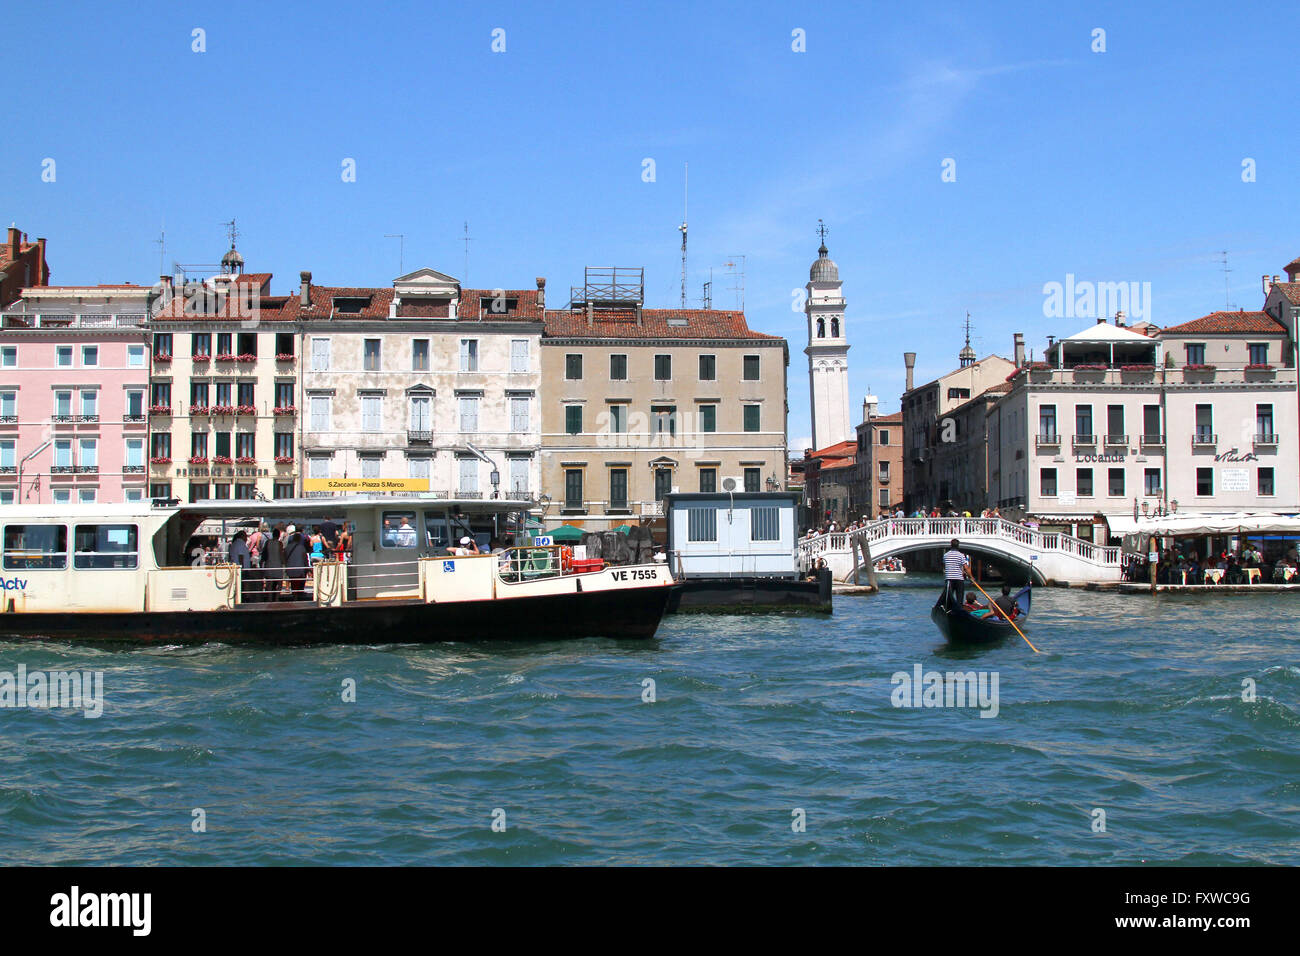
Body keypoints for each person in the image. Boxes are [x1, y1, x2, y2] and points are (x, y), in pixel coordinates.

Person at [942, 538, 971, 610]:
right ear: (958, 546)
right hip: (959, 579)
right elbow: (966, 567)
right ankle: (959, 610)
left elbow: (945, 566)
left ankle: (948, 609)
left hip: (949, 579)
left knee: (948, 598)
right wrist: (971, 577)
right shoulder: (961, 555)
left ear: (951, 545)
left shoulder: (945, 555)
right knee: (959, 598)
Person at [283, 524, 310, 599]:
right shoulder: (301, 547)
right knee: (299, 584)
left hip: (290, 569)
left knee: (293, 583)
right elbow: (305, 558)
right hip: (300, 569)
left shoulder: (288, 547)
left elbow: (284, 557)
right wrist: (307, 566)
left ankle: (294, 596)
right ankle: (298, 596)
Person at [261, 524, 285, 601]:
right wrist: (284, 562)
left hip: (269, 564)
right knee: (279, 584)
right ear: (279, 535)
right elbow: (281, 555)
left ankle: (269, 599)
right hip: (277, 564)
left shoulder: (268, 542)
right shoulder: (280, 543)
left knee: (269, 584)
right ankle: (277, 599)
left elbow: (264, 554)